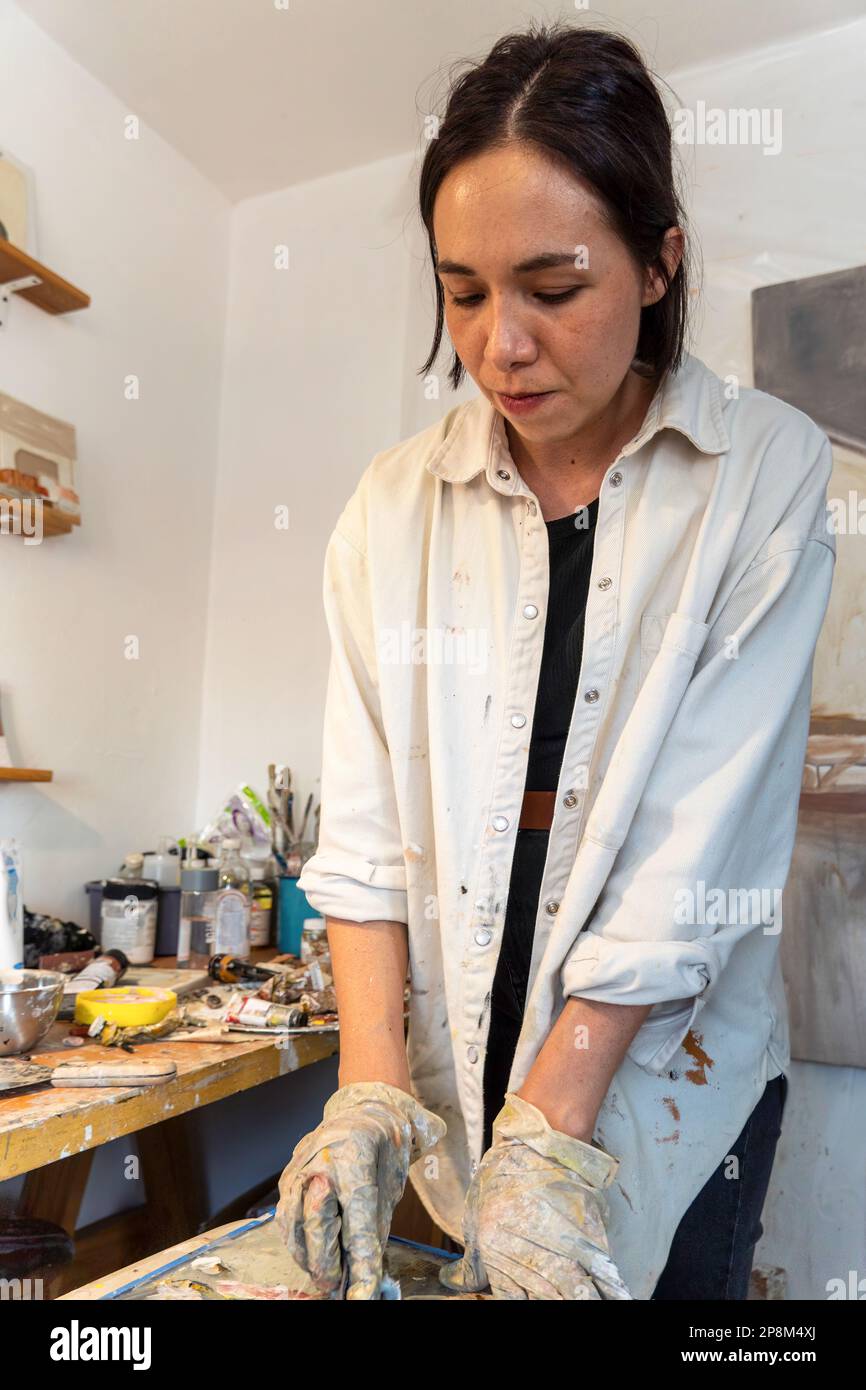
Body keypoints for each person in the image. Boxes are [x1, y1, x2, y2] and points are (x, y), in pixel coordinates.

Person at [277, 21, 835, 1299]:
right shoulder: (391, 505)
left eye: (551, 287)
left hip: (664, 1093)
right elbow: (362, 839)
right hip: (446, 1087)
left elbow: (698, 841)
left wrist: (550, 1132)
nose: (497, 346)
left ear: (655, 263)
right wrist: (368, 1091)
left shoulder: (760, 472)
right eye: (462, 292)